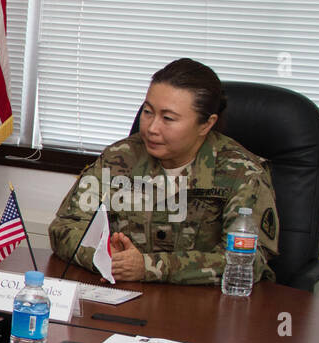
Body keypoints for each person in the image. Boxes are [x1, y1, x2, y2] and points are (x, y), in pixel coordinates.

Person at [48, 58, 279, 284]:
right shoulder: (118, 158)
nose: (151, 127)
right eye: (148, 112)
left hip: (205, 309)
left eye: (168, 118)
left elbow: (248, 260)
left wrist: (149, 267)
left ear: (206, 124)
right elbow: (65, 227)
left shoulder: (242, 174)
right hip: (123, 298)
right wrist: (106, 256)